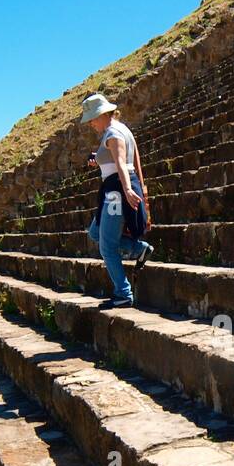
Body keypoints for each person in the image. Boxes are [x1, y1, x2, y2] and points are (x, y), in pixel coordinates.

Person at [79, 92, 154, 308]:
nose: (91, 123)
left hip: (115, 191)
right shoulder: (122, 130)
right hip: (114, 188)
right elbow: (126, 160)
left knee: (107, 247)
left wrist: (129, 189)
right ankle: (139, 249)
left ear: (102, 114)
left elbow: (121, 163)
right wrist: (98, 159)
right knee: (95, 233)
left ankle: (123, 293)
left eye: (92, 118)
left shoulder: (112, 133)